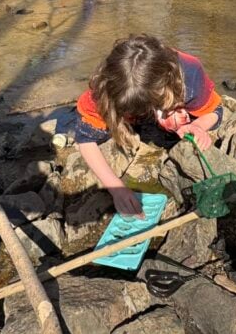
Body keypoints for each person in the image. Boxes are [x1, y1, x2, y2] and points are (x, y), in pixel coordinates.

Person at [72, 34, 223, 216]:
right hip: (140, 99)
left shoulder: (190, 73)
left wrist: (198, 126)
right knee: (108, 123)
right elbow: (85, 139)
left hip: (172, 96)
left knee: (180, 121)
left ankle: (165, 110)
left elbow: (215, 111)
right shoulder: (106, 87)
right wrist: (115, 187)